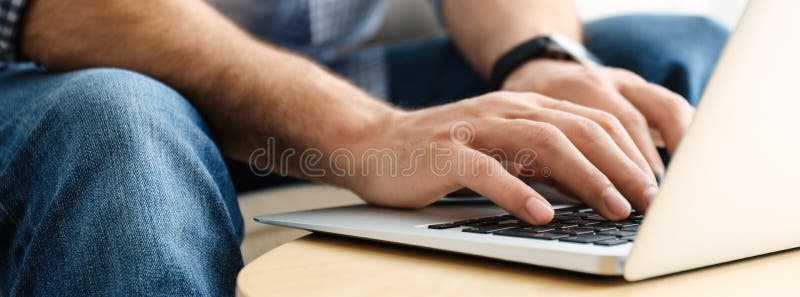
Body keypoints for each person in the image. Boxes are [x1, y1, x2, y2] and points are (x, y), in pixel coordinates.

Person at [0, 0, 728, 295]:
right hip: (73, 77)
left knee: (675, 58)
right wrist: (363, 136)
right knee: (120, 126)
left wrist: (537, 61)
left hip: (350, 75)